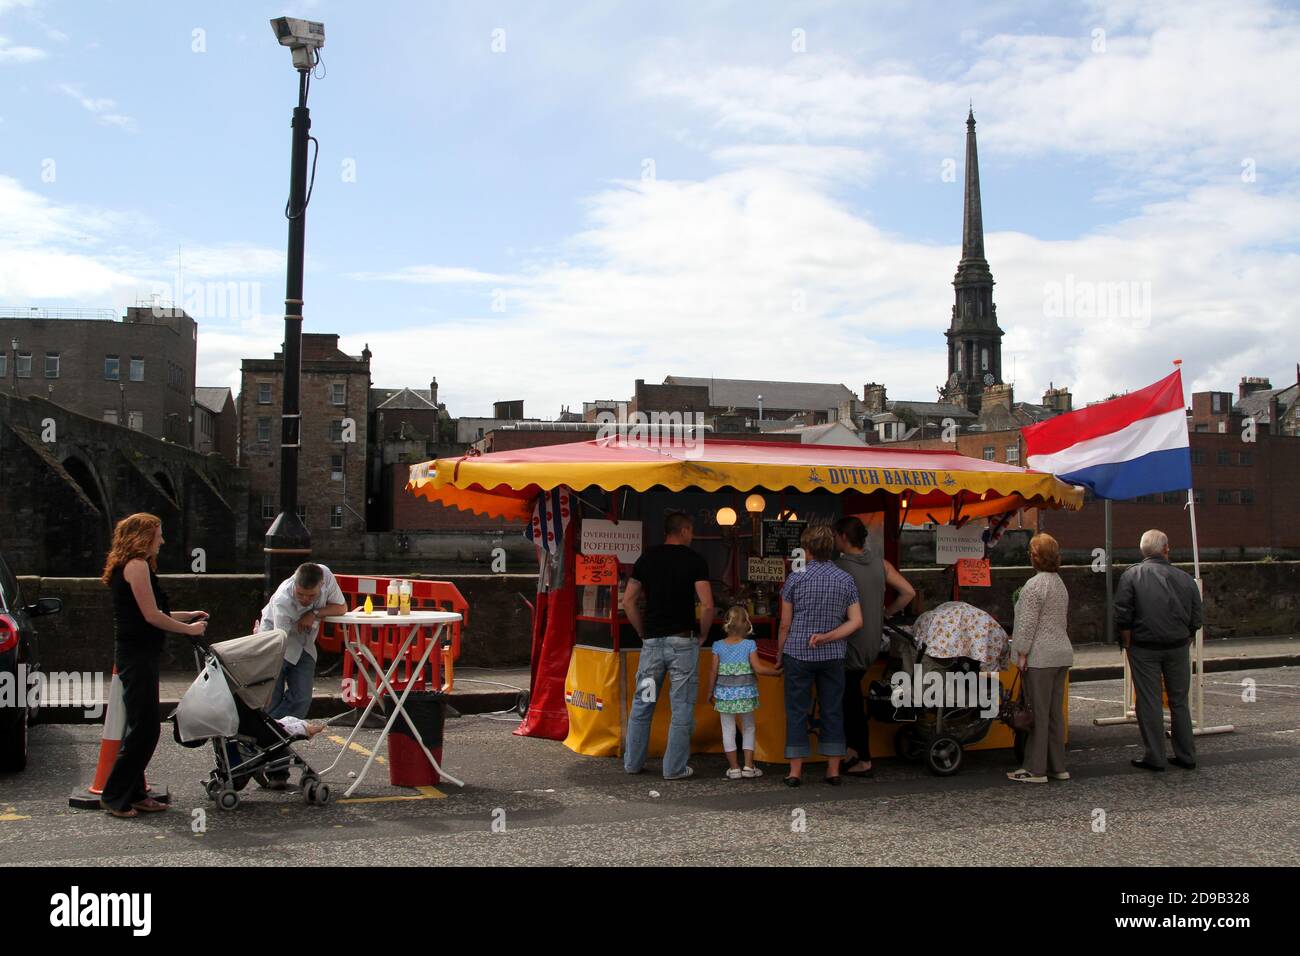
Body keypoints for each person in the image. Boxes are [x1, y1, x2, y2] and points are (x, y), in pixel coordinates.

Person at [100, 513, 209, 819]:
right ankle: (113, 795)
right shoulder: (135, 566)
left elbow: (156, 610)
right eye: (158, 534)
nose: (162, 540)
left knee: (142, 728)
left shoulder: (139, 566)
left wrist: (187, 615)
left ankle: (135, 794)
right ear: (143, 536)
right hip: (136, 655)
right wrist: (189, 630)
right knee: (145, 730)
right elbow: (150, 615)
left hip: (141, 653)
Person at [621, 511, 714, 779]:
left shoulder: (647, 558)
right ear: (684, 530)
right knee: (682, 706)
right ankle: (673, 768)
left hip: (652, 645)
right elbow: (707, 604)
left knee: (643, 703)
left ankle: (633, 763)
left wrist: (643, 633)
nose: (692, 536)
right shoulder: (694, 560)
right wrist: (703, 634)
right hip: (682, 644)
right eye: (691, 531)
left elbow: (628, 601)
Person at [778, 523, 862, 787]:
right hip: (833, 655)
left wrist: (780, 654)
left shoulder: (796, 578)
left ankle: (795, 771)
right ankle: (833, 770)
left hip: (798, 653)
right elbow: (856, 621)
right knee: (832, 709)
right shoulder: (845, 579)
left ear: (808, 549)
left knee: (796, 710)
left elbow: (784, 624)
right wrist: (828, 637)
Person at [833, 516, 915, 778]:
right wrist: (885, 614)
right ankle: (853, 752)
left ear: (843, 537)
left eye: (836, 536)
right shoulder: (882, 564)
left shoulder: (839, 566)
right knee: (851, 696)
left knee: (849, 701)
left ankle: (860, 756)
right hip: (871, 642)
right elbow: (908, 592)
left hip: (848, 642)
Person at [1114, 529, 1202, 772]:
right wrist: (1187, 638)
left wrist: (1128, 644)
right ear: (1166, 549)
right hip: (1177, 645)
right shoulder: (1185, 579)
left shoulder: (1131, 576)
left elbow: (1123, 615)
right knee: (1179, 701)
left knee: (1149, 701)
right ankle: (1186, 754)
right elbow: (1197, 616)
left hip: (1144, 646)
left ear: (1143, 550)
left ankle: (1155, 755)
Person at [1006, 533, 1074, 784]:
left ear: (1035, 557)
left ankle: (1035, 769)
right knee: (1056, 714)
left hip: (1040, 656)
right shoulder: (1059, 583)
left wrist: (1021, 653)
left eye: (1031, 553)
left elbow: (1026, 625)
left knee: (1038, 713)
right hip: (1061, 653)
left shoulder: (1034, 586)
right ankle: (1058, 766)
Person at [258, 562, 347, 721]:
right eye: (300, 594)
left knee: (302, 699)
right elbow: (280, 641)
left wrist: (314, 613)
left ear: (322, 584)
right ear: (294, 583)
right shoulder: (282, 600)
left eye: (312, 596)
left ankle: (275, 733)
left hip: (305, 641)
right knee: (271, 699)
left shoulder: (325, 574)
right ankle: (270, 735)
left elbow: (341, 607)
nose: (305, 599)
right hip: (274, 641)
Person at [708, 606, 782, 779]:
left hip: (725, 694)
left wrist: (710, 691)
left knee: (728, 729)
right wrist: (777, 672)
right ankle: (749, 767)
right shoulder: (749, 644)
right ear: (746, 624)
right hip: (746, 693)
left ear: (727, 623)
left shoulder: (718, 645)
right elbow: (759, 668)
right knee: (749, 727)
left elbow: (713, 671)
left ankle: (734, 769)